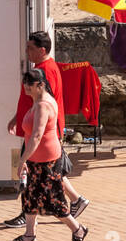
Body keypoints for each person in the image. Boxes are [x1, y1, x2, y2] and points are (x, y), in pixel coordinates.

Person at [5, 31, 88, 228]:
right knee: (51, 174)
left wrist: (32, 131)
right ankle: (76, 201)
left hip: (40, 132)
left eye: (30, 48)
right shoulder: (45, 68)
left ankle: (36, 219)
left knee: (37, 178)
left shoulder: (45, 71)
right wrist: (17, 117)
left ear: (42, 50)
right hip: (39, 130)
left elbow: (42, 103)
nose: (27, 52)